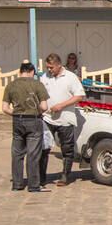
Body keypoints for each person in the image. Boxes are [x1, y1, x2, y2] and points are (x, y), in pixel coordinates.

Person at [1, 61, 51, 193]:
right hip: (33, 120)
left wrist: (17, 113)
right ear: (32, 72)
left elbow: (5, 108)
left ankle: (17, 184)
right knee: (33, 154)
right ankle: (33, 185)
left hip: (17, 120)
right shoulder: (37, 84)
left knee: (17, 153)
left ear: (20, 72)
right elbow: (44, 106)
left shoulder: (11, 85)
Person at [38, 53, 85, 186]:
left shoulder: (70, 77)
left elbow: (79, 96)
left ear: (59, 65)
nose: (49, 70)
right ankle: (41, 177)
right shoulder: (44, 77)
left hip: (65, 118)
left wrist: (61, 105)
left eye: (52, 67)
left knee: (67, 149)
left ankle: (65, 175)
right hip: (47, 118)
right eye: (48, 67)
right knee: (44, 148)